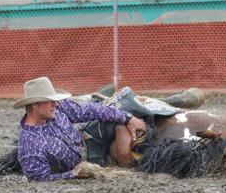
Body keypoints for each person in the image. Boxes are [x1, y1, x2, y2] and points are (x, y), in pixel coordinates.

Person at [14, 77, 147, 181]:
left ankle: (160, 106)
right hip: (89, 163)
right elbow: (40, 179)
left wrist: (128, 117)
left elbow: (88, 110)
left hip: (89, 138)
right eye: (50, 101)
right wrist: (72, 174)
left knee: (123, 107)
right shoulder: (29, 147)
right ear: (34, 105)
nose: (55, 103)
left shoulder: (57, 108)